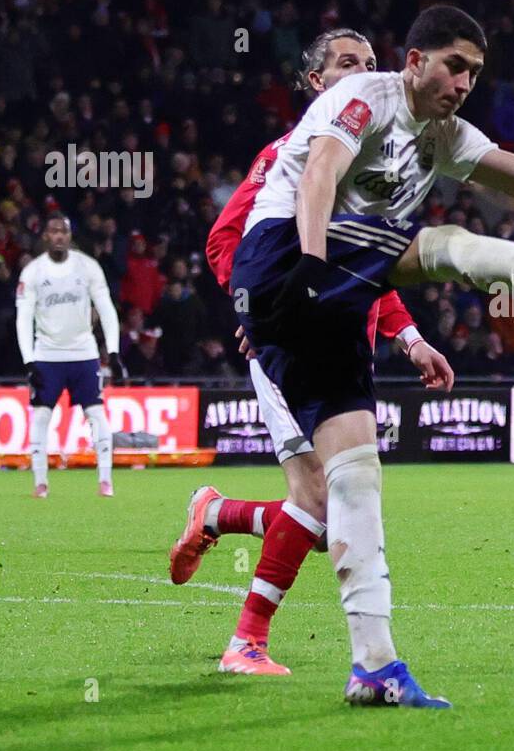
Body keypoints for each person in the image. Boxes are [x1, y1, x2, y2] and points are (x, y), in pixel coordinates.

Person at [190, 4, 514, 703]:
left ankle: (375, 666)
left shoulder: (442, 133)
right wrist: (310, 268)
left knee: (354, 477)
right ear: (413, 61)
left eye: (474, 71)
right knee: (441, 244)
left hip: (341, 292)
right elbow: (321, 173)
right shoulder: (364, 97)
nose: (464, 81)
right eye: (454, 65)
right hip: (288, 261)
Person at [171, 29, 454, 575]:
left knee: (327, 519)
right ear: (316, 82)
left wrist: (411, 339)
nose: (365, 72)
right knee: (324, 504)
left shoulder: (375, 174)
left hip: (346, 346)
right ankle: (249, 640)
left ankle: (216, 513)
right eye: (348, 63)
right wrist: (261, 308)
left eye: (372, 63)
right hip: (292, 339)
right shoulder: (286, 156)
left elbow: (372, 271)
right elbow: (224, 240)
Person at [15, 214, 127, 498]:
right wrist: (28, 360)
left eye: (63, 231)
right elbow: (23, 318)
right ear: (45, 237)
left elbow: (106, 309)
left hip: (83, 354)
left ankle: (105, 481)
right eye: (54, 231)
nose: (59, 236)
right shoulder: (32, 273)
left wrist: (112, 351)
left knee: (96, 413)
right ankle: (40, 483)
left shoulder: (87, 267)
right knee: (40, 416)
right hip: (47, 355)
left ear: (69, 235)